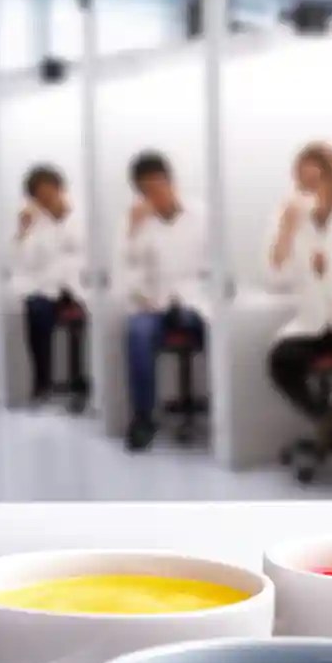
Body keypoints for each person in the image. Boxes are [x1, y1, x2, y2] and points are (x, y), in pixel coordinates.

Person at [266, 142, 332, 450]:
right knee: (280, 360)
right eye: (302, 184)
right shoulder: (289, 222)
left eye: (316, 183)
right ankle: (326, 419)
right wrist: (286, 231)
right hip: (313, 324)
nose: (309, 192)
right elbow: (275, 279)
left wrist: (331, 269)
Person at [121, 151, 210, 452]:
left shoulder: (201, 215)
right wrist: (133, 231)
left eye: (158, 184)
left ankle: (222, 412)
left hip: (195, 301)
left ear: (171, 181)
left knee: (211, 331)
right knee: (138, 333)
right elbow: (127, 269)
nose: (155, 194)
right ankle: (143, 417)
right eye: (146, 190)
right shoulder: (136, 223)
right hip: (154, 302)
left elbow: (217, 264)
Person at [12, 165, 90, 410]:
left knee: (79, 317)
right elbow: (25, 261)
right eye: (40, 197)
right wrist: (23, 231)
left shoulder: (81, 216)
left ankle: (80, 382)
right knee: (34, 309)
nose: (47, 200)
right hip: (48, 287)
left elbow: (88, 252)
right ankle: (42, 382)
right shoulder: (35, 224)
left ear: (61, 189)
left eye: (50, 193)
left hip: (79, 286)